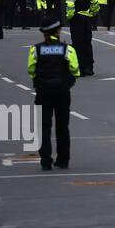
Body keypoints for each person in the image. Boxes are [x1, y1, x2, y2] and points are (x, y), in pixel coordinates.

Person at [27, 18, 80, 171]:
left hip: (43, 91)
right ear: (57, 31)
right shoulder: (67, 49)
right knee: (62, 126)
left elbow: (31, 70)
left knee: (43, 127)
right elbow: (75, 69)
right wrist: (69, 82)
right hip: (62, 91)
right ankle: (63, 160)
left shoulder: (35, 49)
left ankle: (45, 160)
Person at [64, 0, 98, 76]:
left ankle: (80, 68)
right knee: (87, 43)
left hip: (77, 18)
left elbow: (70, 4)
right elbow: (94, 3)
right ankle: (89, 68)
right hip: (87, 18)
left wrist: (69, 16)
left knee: (78, 43)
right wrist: (92, 14)